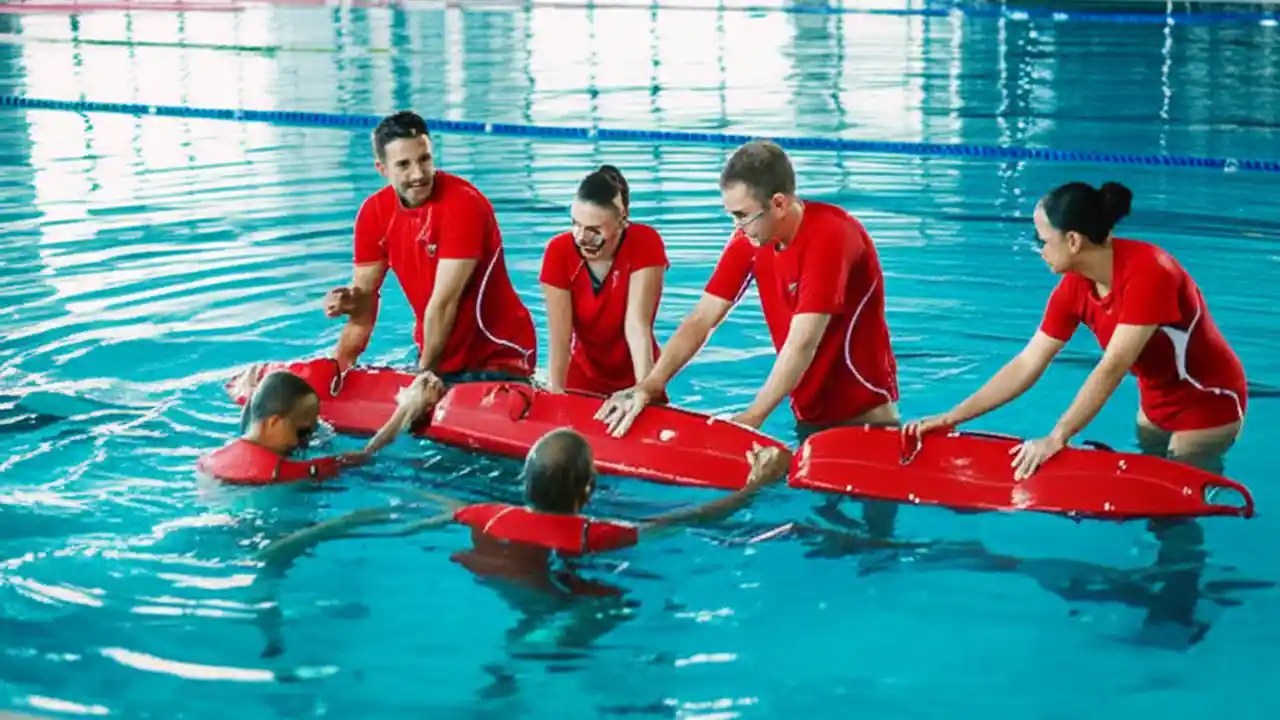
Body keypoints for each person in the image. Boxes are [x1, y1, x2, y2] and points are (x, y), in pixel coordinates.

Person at [905, 180, 1248, 642]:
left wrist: (1057, 436)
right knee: (1151, 489)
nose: (1037, 248)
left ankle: (1178, 611)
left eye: (1041, 238)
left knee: (1176, 513)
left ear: (1073, 240)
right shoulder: (1075, 288)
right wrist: (954, 417)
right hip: (1158, 398)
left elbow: (1110, 369)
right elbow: (1028, 362)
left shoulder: (1150, 273)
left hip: (1209, 400)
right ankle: (1160, 576)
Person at [594, 139, 900, 536]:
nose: (736, 228)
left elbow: (802, 341)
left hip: (868, 426)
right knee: (821, 541)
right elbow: (702, 318)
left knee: (874, 546)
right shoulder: (752, 239)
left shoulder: (831, 235)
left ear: (778, 204)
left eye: (741, 215)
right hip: (811, 422)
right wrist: (649, 384)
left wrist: (752, 418)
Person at [322, 110, 537, 384]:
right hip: (436, 349)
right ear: (382, 169)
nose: (419, 174)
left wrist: (424, 377)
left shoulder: (463, 205)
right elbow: (365, 304)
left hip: (499, 354)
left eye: (425, 159)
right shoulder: (373, 213)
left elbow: (444, 304)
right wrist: (338, 368)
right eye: (404, 165)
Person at [539, 165, 668, 396]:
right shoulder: (558, 252)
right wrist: (556, 390)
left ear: (621, 222)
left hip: (638, 371)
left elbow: (637, 325)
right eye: (575, 224)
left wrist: (644, 390)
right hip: (580, 377)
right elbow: (560, 336)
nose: (582, 238)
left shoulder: (645, 243)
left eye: (594, 229)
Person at [197, 367, 442, 485]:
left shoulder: (210, 460)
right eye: (303, 432)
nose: (304, 442)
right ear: (273, 422)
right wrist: (407, 408)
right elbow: (364, 457)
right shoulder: (279, 472)